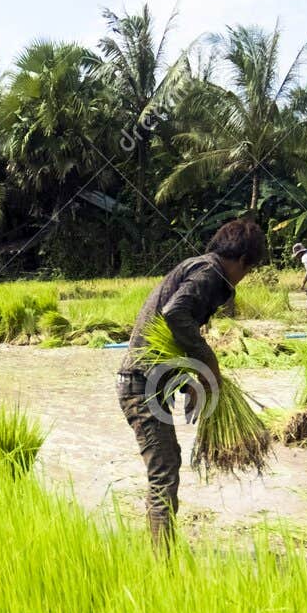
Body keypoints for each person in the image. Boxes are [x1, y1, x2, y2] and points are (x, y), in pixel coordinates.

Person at [118, 219, 268, 549]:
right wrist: (207, 359)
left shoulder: (199, 267)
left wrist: (187, 381)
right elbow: (175, 314)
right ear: (243, 260)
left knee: (166, 463)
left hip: (148, 380)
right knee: (164, 469)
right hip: (140, 384)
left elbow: (170, 339)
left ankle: (161, 548)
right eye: (250, 269)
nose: (245, 277)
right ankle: (163, 563)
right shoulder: (209, 273)